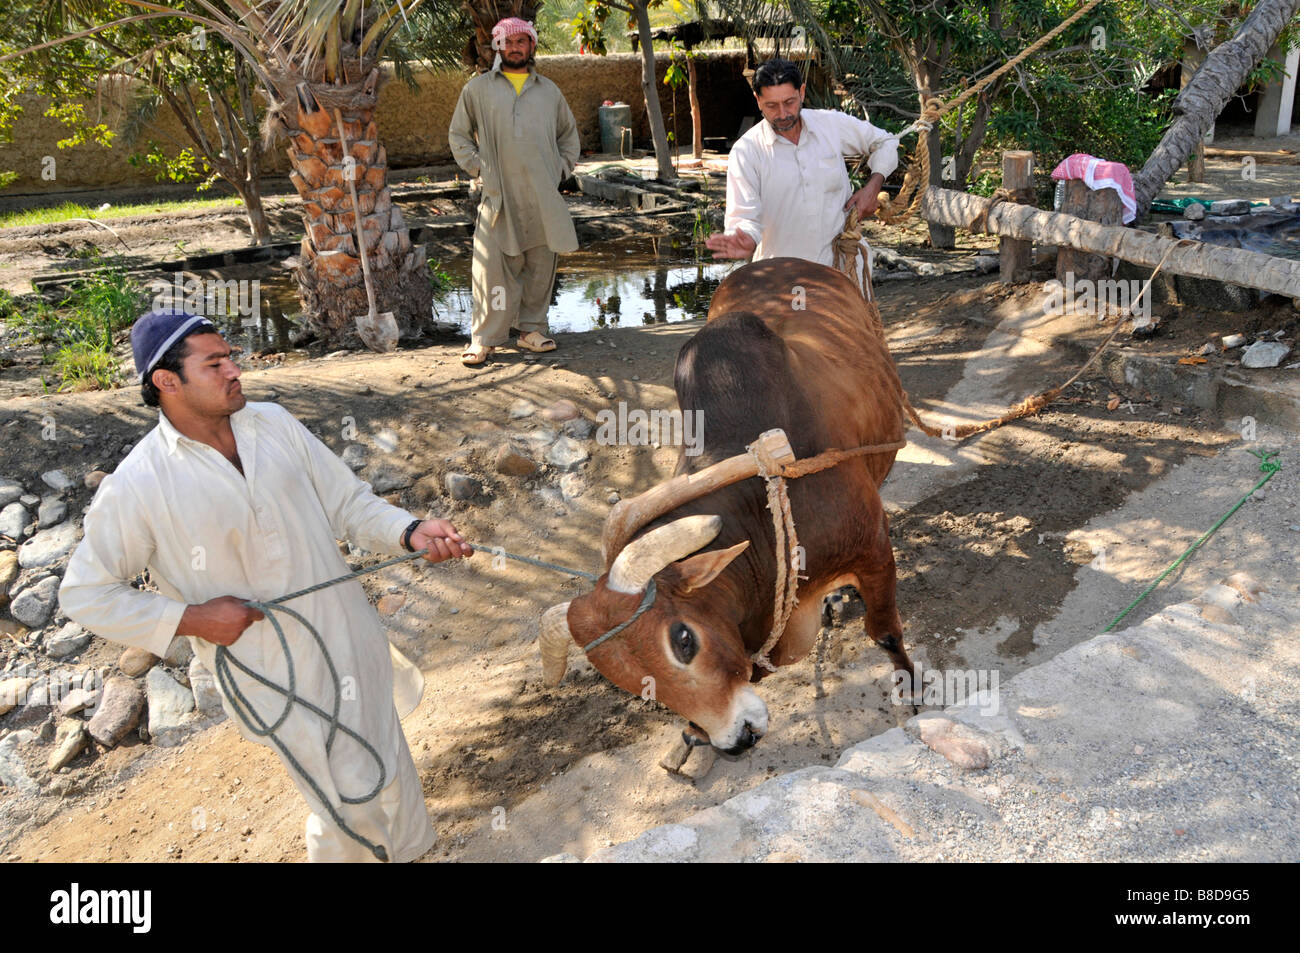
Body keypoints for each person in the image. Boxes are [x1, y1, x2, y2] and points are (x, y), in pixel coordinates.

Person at [60, 309, 473, 863]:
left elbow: (347, 502)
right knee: (342, 794)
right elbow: (84, 593)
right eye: (216, 363)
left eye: (231, 357)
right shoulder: (139, 483)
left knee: (386, 763)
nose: (235, 370)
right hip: (267, 666)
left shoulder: (273, 424)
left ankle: (413, 853)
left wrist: (410, 531)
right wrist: (193, 620)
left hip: (348, 631)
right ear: (166, 381)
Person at [449, 17, 581, 367]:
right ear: (497, 46)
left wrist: (561, 168)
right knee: (491, 267)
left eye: (522, 41)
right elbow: (458, 136)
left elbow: (569, 136)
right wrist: (480, 168)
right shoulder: (476, 90)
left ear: (531, 46)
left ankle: (531, 330)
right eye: (508, 42)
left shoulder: (549, 91)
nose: (514, 47)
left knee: (540, 265)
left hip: (541, 195)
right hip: (499, 194)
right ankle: (485, 338)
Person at [705, 58, 900, 284]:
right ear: (758, 101)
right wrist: (744, 239)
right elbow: (744, 218)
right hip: (781, 281)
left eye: (789, 102)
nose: (783, 113)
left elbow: (887, 141)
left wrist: (873, 186)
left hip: (844, 271)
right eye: (771, 106)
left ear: (802, 92)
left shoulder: (830, 125)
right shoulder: (747, 152)